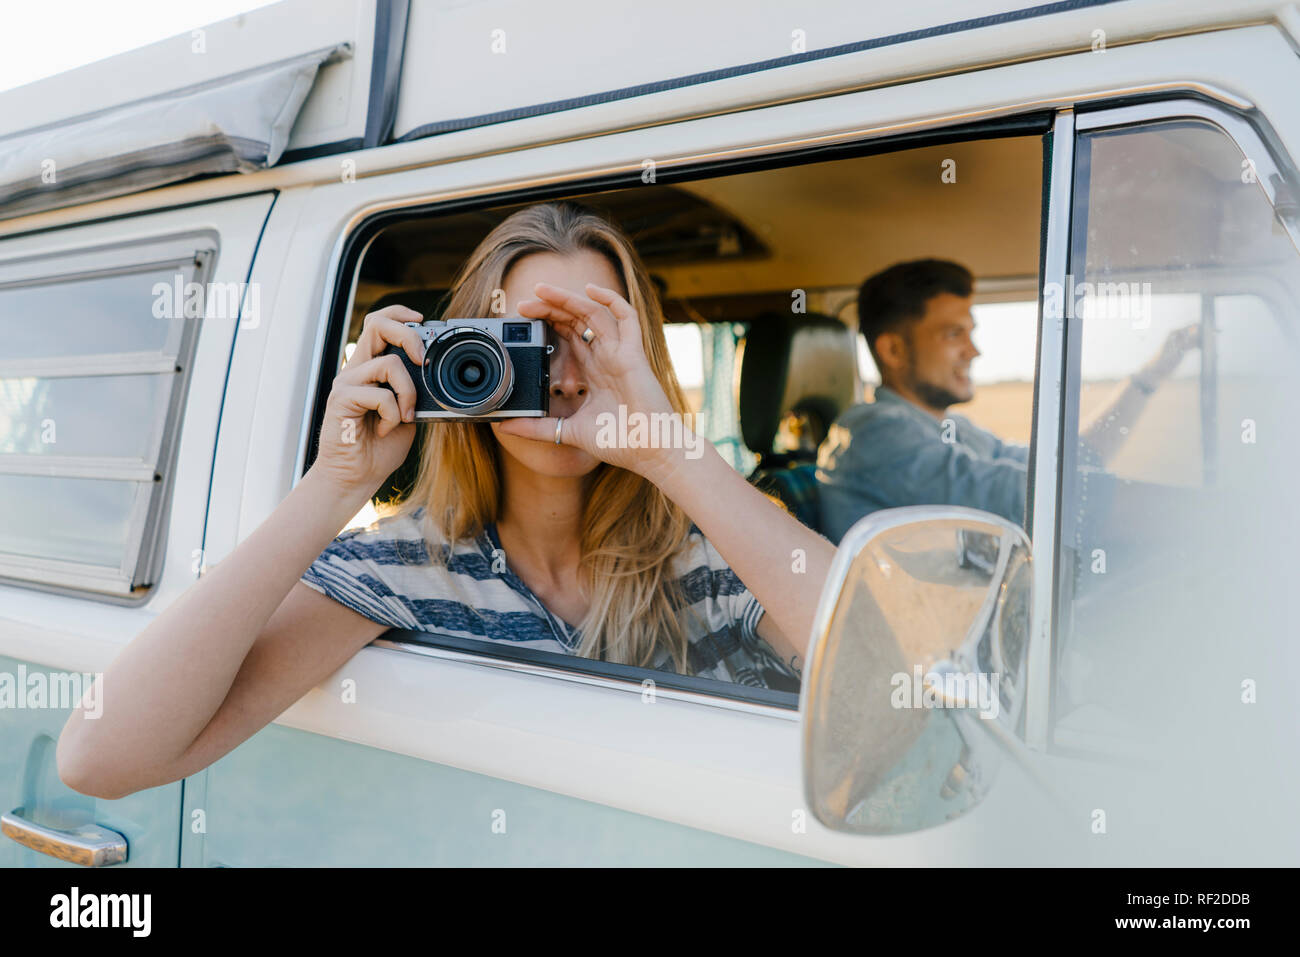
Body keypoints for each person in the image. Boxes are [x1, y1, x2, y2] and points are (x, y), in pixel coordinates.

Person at [56, 201, 835, 800]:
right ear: (458, 361)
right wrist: (336, 484)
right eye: (526, 340)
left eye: (591, 337)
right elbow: (101, 757)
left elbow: (905, 677)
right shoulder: (401, 569)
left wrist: (667, 447)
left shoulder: (709, 561)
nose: (561, 375)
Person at [816, 259, 1198, 542]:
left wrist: (1151, 375)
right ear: (894, 350)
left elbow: (1060, 465)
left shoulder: (951, 431)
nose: (974, 351)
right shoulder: (872, 434)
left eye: (970, 333)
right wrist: (1198, 516)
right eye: (953, 334)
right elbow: (1023, 498)